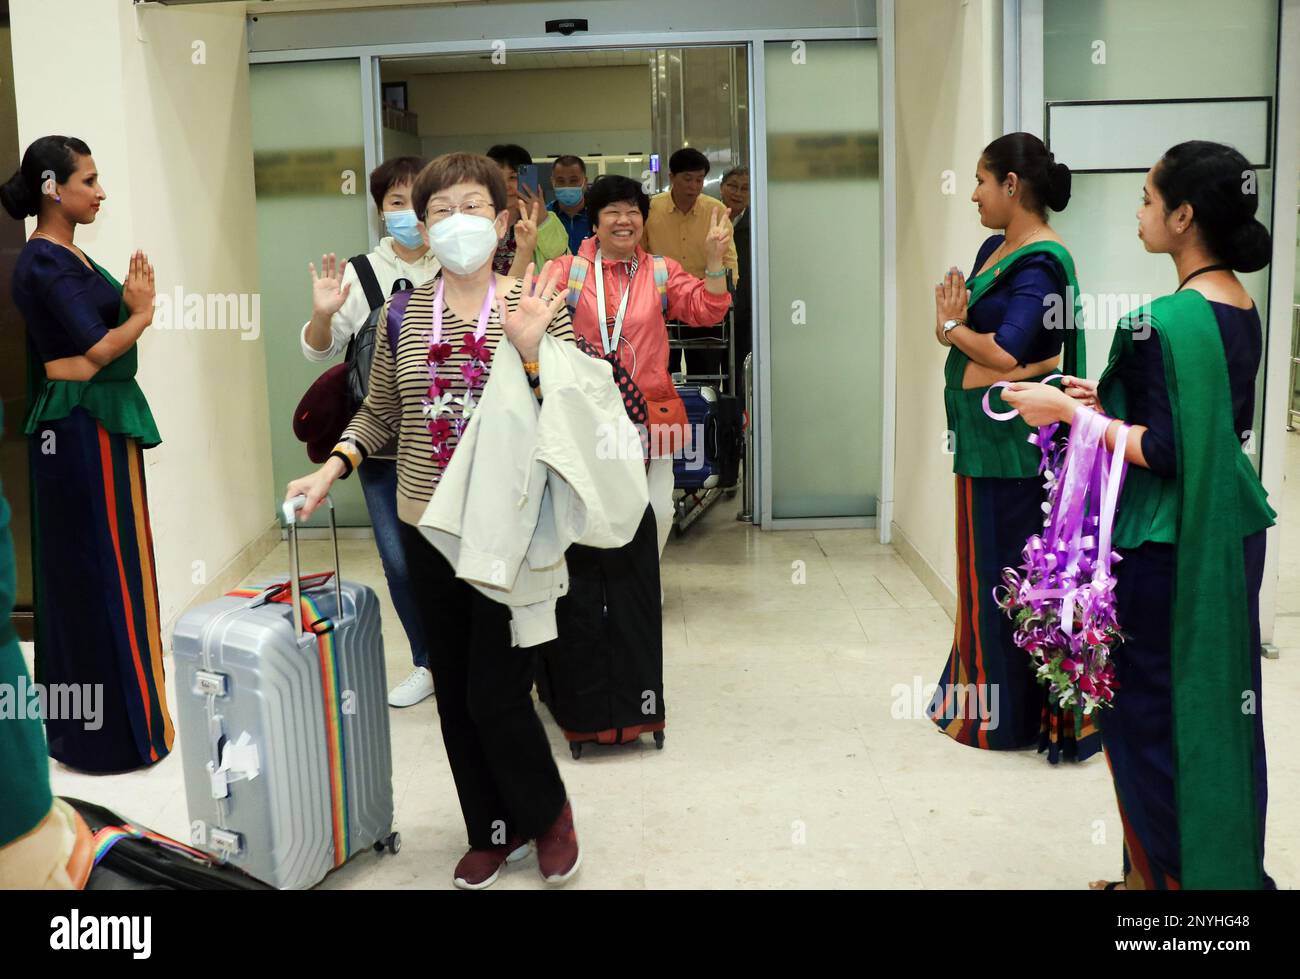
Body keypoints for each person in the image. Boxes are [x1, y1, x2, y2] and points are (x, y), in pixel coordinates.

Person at [285, 153, 581, 890]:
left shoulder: (535, 301)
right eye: (441, 209)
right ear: (421, 224)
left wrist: (535, 354)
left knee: (498, 689)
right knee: (454, 685)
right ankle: (491, 827)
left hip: (507, 526)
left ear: (504, 219)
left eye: (474, 206)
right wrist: (332, 467)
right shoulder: (399, 313)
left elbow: (577, 415)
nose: (458, 222)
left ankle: (548, 815)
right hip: (426, 524)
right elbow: (381, 412)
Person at [1004, 141, 1276, 890]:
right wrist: (1099, 399)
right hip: (1228, 529)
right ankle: (1164, 874)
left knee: (1146, 716)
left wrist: (1067, 411)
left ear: (1184, 216)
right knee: (1211, 705)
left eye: (1149, 200)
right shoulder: (1240, 308)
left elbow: (1167, 448)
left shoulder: (1166, 319)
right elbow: (1201, 425)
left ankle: (1168, 889)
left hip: (1165, 543)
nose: (1138, 211)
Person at [537, 175, 732, 743]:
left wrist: (715, 260)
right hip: (585, 419)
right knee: (585, 519)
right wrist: (524, 253)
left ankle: (635, 595)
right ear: (593, 222)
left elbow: (709, 310)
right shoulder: (570, 272)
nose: (624, 221)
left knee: (654, 514)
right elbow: (528, 316)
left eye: (633, 212)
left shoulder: (662, 271)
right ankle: (584, 625)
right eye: (612, 212)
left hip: (647, 412)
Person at [2, 136, 173, 773]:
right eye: (89, 180)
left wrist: (129, 308)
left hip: (87, 424)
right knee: (101, 572)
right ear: (53, 188)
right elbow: (98, 349)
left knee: (109, 567)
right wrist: (142, 312)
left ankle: (116, 727)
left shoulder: (64, 254)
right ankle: (111, 736)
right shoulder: (44, 262)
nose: (100, 192)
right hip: (80, 429)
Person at [926, 133, 1097, 764]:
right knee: (981, 573)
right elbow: (986, 340)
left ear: (1011, 187)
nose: (973, 194)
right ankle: (978, 702)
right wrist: (962, 332)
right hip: (981, 441)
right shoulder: (997, 248)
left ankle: (1012, 719)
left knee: (1007, 579)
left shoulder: (1040, 263)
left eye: (980, 180)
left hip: (1013, 452)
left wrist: (951, 329)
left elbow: (1005, 354)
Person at [301, 156, 442, 709]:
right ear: (381, 210)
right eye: (395, 203)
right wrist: (322, 314)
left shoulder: (454, 262)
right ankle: (428, 660)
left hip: (451, 438)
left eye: (417, 202)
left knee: (460, 552)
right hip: (381, 443)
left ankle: (474, 655)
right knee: (401, 558)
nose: (407, 214)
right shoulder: (360, 272)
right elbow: (318, 349)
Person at [644, 148, 739, 380]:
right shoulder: (650, 210)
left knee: (706, 374)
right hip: (661, 304)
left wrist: (724, 292)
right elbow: (641, 254)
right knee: (662, 372)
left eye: (699, 180)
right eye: (687, 179)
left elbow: (729, 260)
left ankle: (708, 415)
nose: (694, 186)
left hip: (703, 302)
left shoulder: (715, 211)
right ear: (671, 178)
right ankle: (666, 416)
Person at [485, 143, 569, 278]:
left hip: (530, 295)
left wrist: (542, 221)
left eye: (513, 177)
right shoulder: (476, 221)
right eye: (497, 178)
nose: (505, 186)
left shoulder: (546, 220)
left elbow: (560, 257)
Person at [720, 166, 752, 392]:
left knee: (740, 373)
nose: (738, 193)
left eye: (745, 188)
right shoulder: (707, 218)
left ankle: (738, 421)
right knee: (711, 370)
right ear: (722, 188)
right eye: (732, 186)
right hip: (711, 310)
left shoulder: (757, 225)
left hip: (745, 310)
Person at [547, 154, 593, 255]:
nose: (567, 186)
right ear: (552, 182)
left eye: (573, 181)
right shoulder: (545, 217)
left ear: (585, 182)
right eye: (561, 181)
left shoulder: (597, 215)